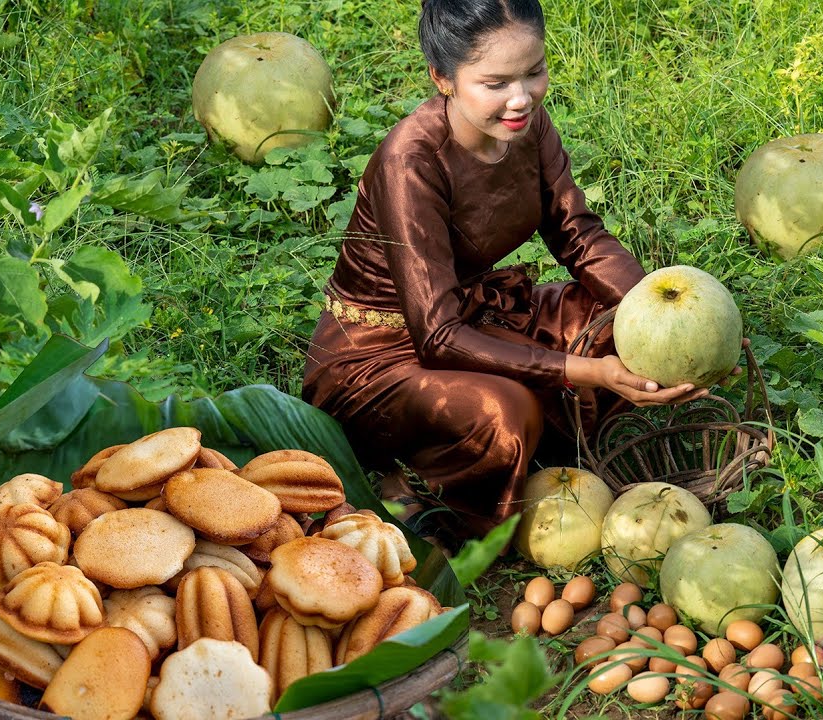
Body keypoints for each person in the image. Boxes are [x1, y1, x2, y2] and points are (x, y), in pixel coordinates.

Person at [303, 0, 711, 540]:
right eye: (495, 83)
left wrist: (675, 323)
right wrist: (583, 371)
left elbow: (578, 233)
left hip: (474, 316)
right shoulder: (412, 162)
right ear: (443, 79)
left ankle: (538, 444)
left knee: (614, 322)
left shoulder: (528, 126)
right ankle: (415, 483)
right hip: (380, 355)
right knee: (506, 412)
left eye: (534, 72)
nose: (521, 98)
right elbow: (438, 336)